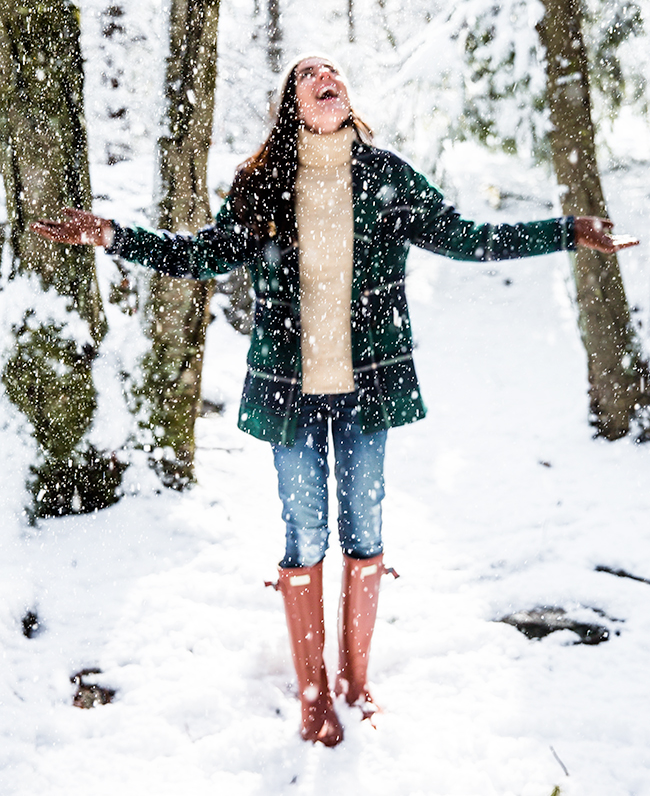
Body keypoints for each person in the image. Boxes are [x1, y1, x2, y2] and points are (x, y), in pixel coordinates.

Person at [32, 55, 638, 748]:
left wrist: (568, 231)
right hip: (289, 391)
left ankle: (356, 681)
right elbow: (201, 254)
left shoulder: (385, 177)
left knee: (366, 529)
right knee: (306, 533)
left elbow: (469, 238)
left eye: (336, 73)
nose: (329, 77)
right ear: (294, 102)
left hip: (367, 389)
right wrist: (112, 235)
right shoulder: (263, 184)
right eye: (310, 74)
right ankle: (313, 692)